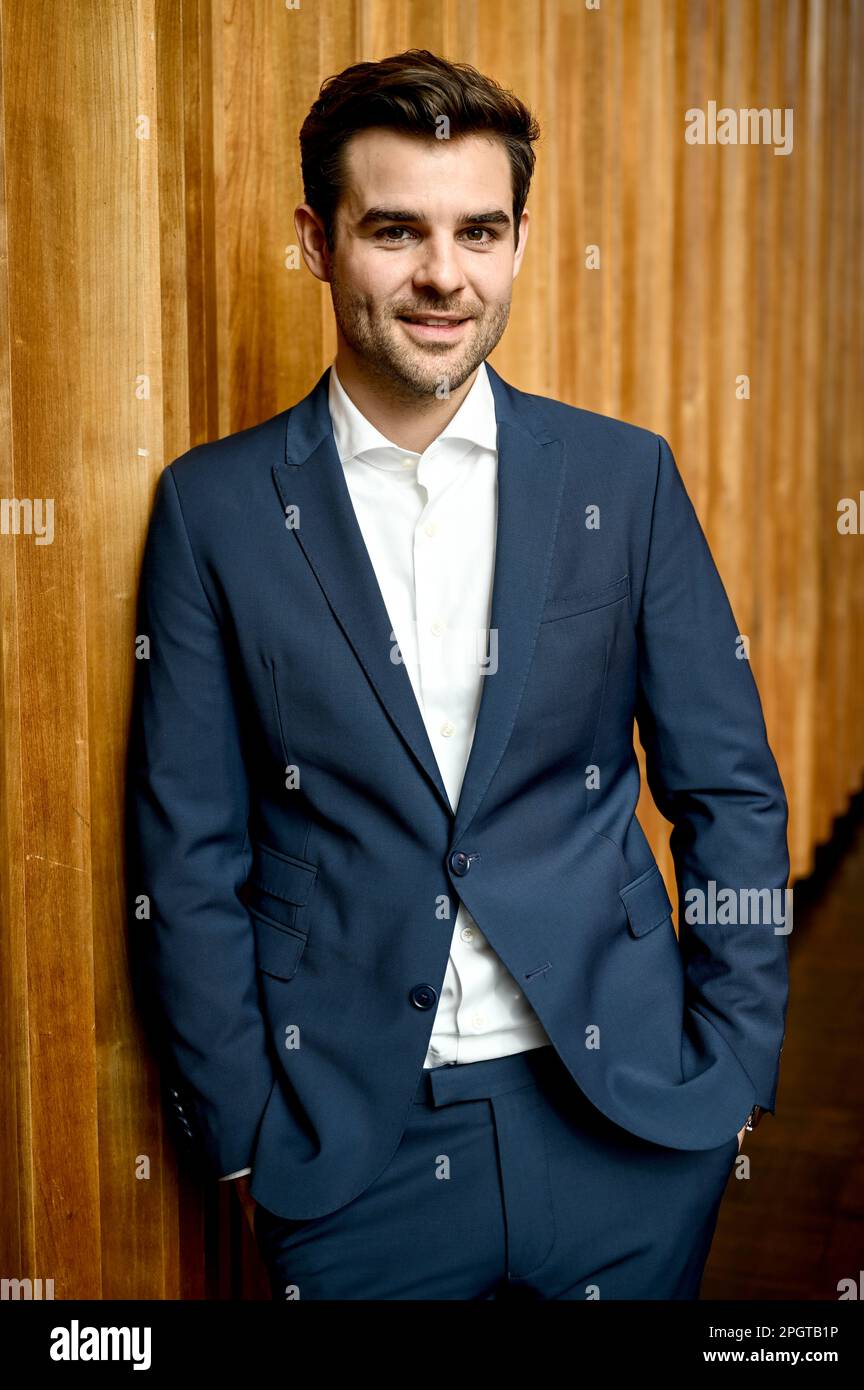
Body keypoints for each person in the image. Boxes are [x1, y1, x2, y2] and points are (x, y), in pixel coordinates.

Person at [126, 48, 790, 1300]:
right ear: (318, 242)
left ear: (520, 242)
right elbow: (187, 851)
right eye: (396, 230)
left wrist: (734, 1071)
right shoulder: (212, 510)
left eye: (479, 230)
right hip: (353, 1153)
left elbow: (732, 795)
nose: (444, 274)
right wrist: (247, 1134)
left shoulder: (622, 481)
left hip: (628, 1122)